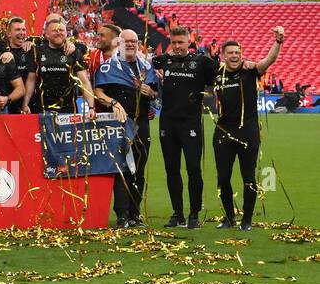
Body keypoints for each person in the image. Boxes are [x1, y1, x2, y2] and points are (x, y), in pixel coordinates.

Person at [211, 28, 284, 231]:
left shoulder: (250, 70)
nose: (234, 56)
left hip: (248, 132)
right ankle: (228, 217)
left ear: (241, 55)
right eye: (230, 53)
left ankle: (247, 220)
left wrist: (278, 41)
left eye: (237, 53)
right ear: (224, 56)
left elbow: (268, 60)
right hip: (223, 132)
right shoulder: (217, 73)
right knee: (223, 177)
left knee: (248, 177)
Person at [152, 25, 218, 228]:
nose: (178, 46)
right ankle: (178, 213)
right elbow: (150, 65)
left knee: (193, 169)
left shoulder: (200, 61)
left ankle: (194, 214)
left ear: (189, 42)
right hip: (167, 123)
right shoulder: (163, 61)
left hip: (191, 123)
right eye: (174, 42)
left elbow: (218, 73)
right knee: (171, 169)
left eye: (181, 42)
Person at [93, 30, 160, 228]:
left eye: (134, 41)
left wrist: (151, 93)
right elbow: (97, 92)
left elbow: (156, 95)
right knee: (121, 170)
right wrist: (112, 102)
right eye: (127, 41)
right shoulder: (109, 67)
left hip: (141, 124)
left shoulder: (146, 67)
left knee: (139, 170)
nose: (130, 45)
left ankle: (135, 214)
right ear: (118, 43)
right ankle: (122, 215)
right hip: (118, 125)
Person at [29, 18, 94, 115]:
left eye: (61, 30)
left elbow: (84, 82)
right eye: (54, 30)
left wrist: (91, 107)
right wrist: (25, 104)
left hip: (68, 110)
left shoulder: (75, 52)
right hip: (41, 110)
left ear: (67, 33)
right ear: (47, 35)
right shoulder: (37, 52)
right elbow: (31, 81)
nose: (58, 32)